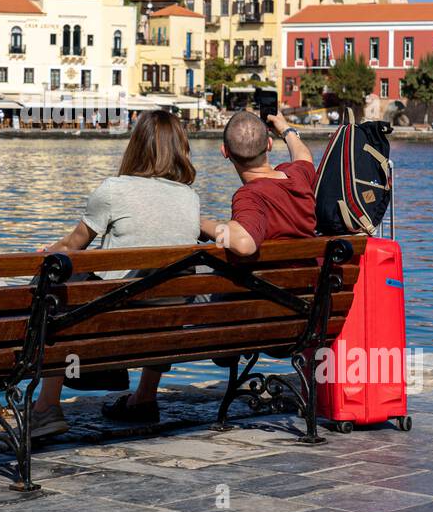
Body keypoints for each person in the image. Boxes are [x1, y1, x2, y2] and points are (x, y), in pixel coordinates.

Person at [30, 110, 201, 437]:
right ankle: (145, 396)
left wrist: (46, 254)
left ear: (136, 146)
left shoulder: (114, 189)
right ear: (180, 147)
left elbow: (73, 245)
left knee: (55, 288)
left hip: (107, 322)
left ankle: (47, 407)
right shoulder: (190, 199)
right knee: (165, 293)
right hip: (162, 325)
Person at [200, 110, 317, 257]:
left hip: (268, 279)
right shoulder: (297, 176)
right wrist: (286, 129)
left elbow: (244, 244)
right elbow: (304, 157)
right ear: (269, 144)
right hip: (309, 277)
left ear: (225, 152)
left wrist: (200, 224)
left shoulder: (249, 196)